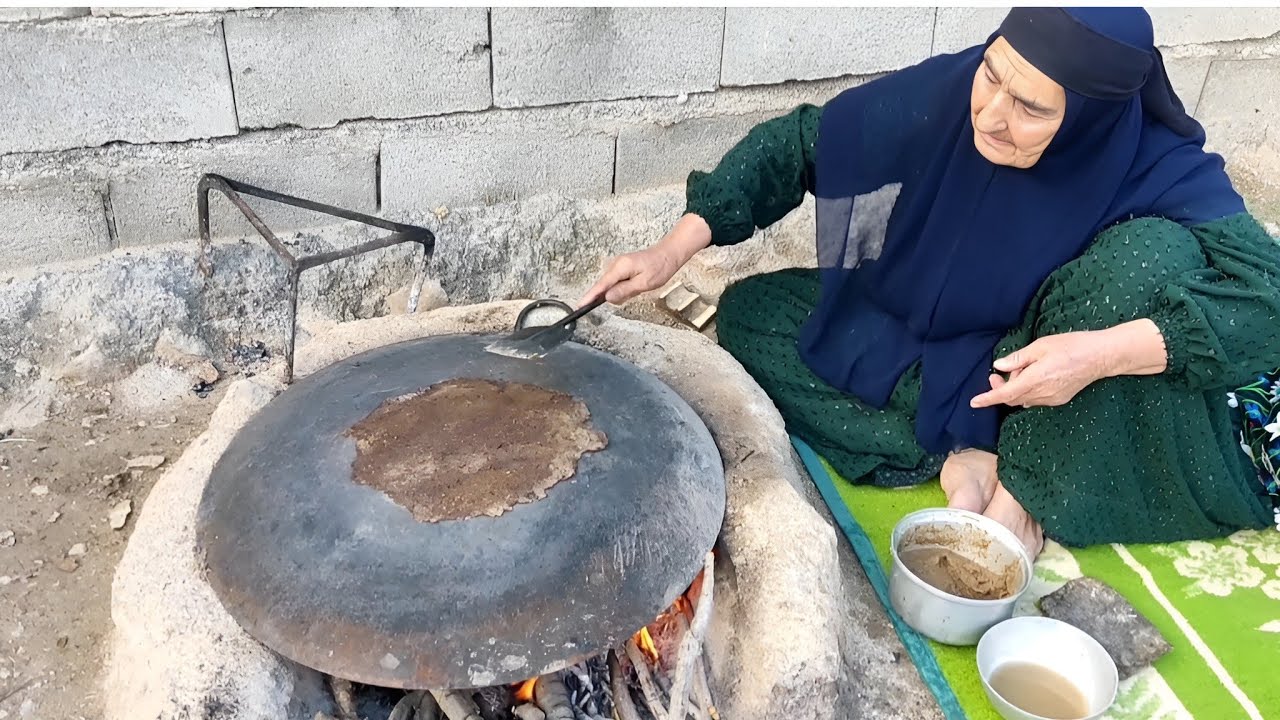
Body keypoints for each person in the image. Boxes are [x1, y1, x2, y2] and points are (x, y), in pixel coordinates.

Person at [581, 7, 1280, 557]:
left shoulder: (1160, 167)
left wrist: (1098, 355)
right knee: (751, 313)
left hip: (1049, 359)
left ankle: (1025, 485)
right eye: (993, 75)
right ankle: (968, 443)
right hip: (935, 338)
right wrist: (673, 249)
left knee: (1147, 259)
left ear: (1090, 118)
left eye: (1031, 108)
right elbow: (804, 142)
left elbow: (1268, 297)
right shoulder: (957, 89)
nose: (991, 114)